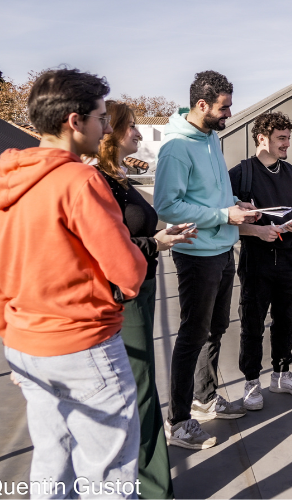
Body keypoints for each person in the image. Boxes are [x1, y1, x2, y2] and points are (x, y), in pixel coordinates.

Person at [0, 69, 146, 495]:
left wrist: (11, 337)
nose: (107, 127)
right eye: (102, 117)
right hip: (83, 345)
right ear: (75, 121)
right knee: (107, 472)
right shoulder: (79, 180)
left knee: (52, 462)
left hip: (24, 345)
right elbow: (128, 272)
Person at [89, 100, 196, 499]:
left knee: (142, 385)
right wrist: (156, 242)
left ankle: (148, 483)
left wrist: (165, 236)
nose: (137, 133)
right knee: (141, 388)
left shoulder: (118, 177)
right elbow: (104, 248)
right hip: (123, 298)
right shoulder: (96, 181)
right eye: (130, 127)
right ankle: (151, 488)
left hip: (141, 288)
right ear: (111, 133)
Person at [154, 70, 257, 450]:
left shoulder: (212, 137)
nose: (229, 114)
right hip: (196, 255)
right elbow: (167, 205)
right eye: (224, 108)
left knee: (215, 330)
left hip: (222, 249)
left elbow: (210, 195)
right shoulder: (176, 147)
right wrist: (223, 216)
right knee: (191, 336)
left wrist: (235, 206)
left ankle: (205, 397)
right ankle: (179, 422)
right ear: (202, 105)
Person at [230, 111, 292, 410]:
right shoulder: (241, 174)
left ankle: (281, 375)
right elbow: (226, 222)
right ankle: (251, 382)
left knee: (287, 320)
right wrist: (256, 230)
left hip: (291, 258)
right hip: (256, 260)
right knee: (252, 324)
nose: (286, 145)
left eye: (288, 138)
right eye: (281, 138)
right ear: (261, 138)